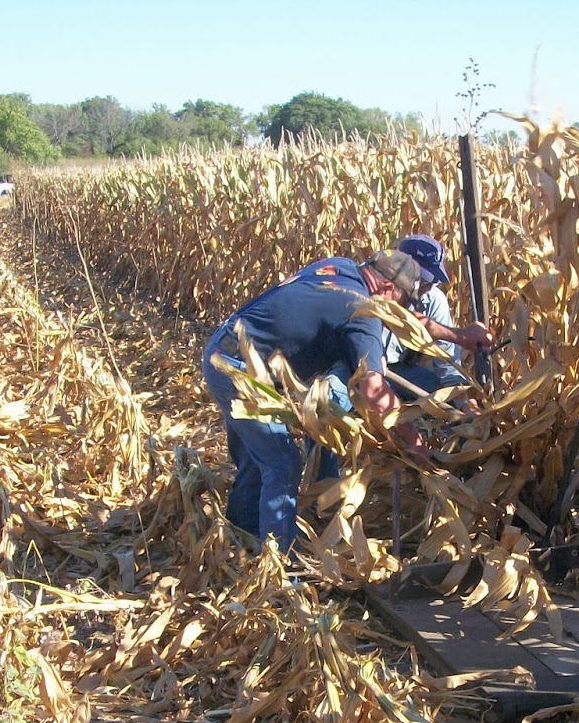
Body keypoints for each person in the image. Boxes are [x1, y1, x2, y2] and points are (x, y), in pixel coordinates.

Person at [201, 249, 424, 550]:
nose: (399, 310)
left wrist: (370, 356)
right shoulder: (365, 309)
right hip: (242, 373)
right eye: (402, 300)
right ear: (388, 288)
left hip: (224, 350)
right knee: (283, 464)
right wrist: (413, 442)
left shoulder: (341, 268)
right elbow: (374, 392)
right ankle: (279, 566)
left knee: (259, 460)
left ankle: (241, 539)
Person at [384, 234, 491, 397]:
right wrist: (460, 335)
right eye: (422, 280)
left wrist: (464, 405)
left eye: (432, 281)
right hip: (356, 366)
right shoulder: (375, 286)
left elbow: (448, 363)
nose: (426, 287)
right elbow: (401, 317)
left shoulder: (434, 300)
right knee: (335, 395)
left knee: (439, 392)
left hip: (399, 371)